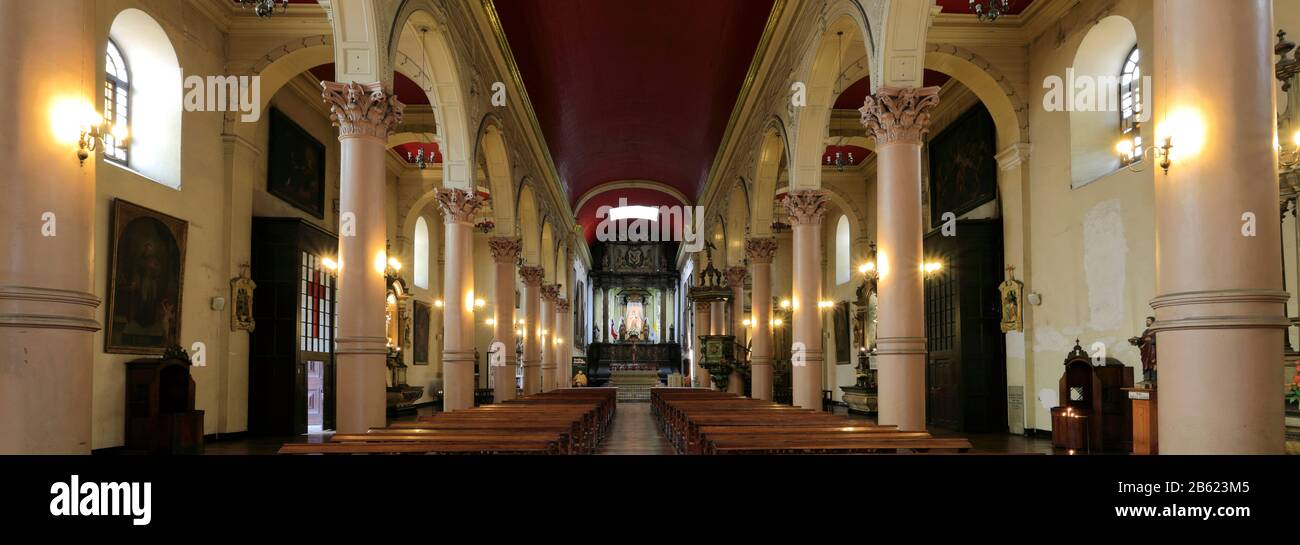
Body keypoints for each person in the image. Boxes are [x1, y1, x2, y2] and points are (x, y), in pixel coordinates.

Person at [1128, 316, 1157, 387]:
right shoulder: (1145, 332)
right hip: (1145, 351)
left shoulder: (1156, 331)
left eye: (1148, 321)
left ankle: (1153, 379)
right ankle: (1146, 378)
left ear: (1153, 322)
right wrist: (1137, 340)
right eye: (1146, 321)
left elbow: (1157, 340)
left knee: (1152, 364)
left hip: (1152, 351)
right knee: (1145, 364)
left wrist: (1149, 339)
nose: (1147, 322)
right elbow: (1142, 340)